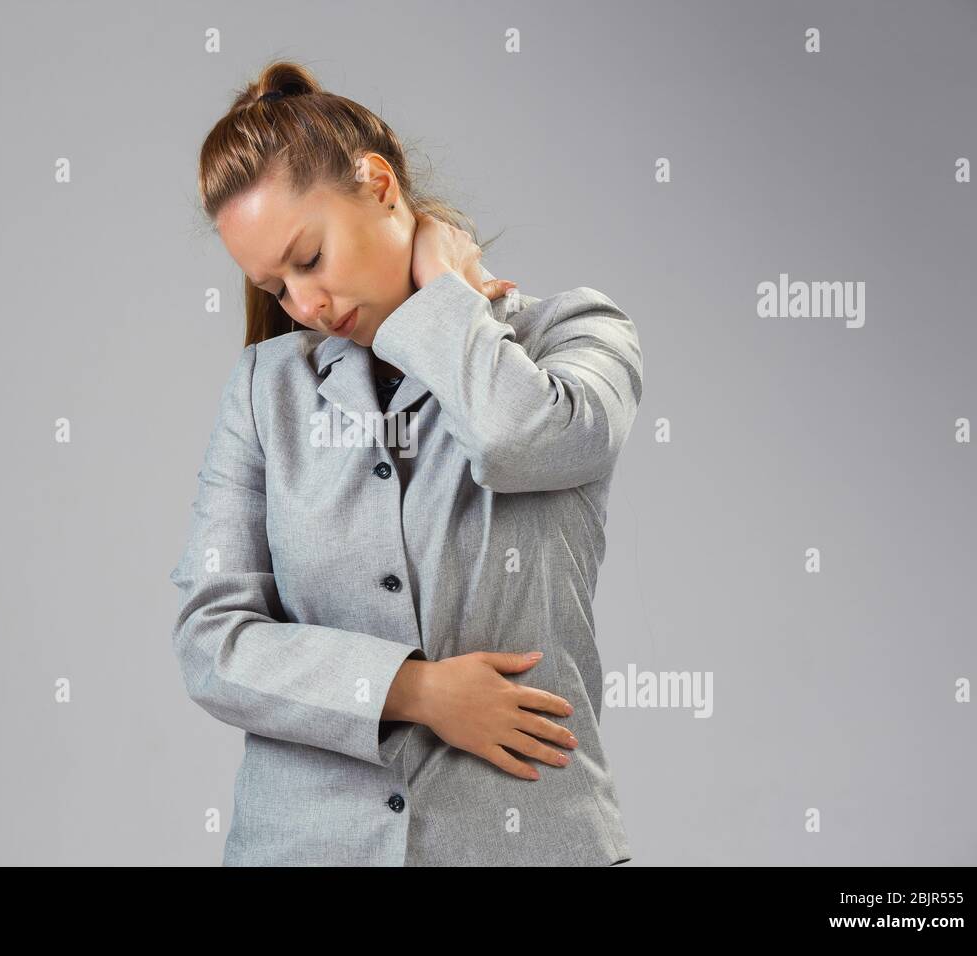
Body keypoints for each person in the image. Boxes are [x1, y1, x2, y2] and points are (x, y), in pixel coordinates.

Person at [170, 59, 643, 866]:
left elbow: (509, 439)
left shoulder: (574, 342)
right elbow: (212, 641)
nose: (305, 306)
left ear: (380, 183)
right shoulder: (263, 391)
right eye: (276, 287)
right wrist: (415, 690)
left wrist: (442, 301)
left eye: (309, 258)